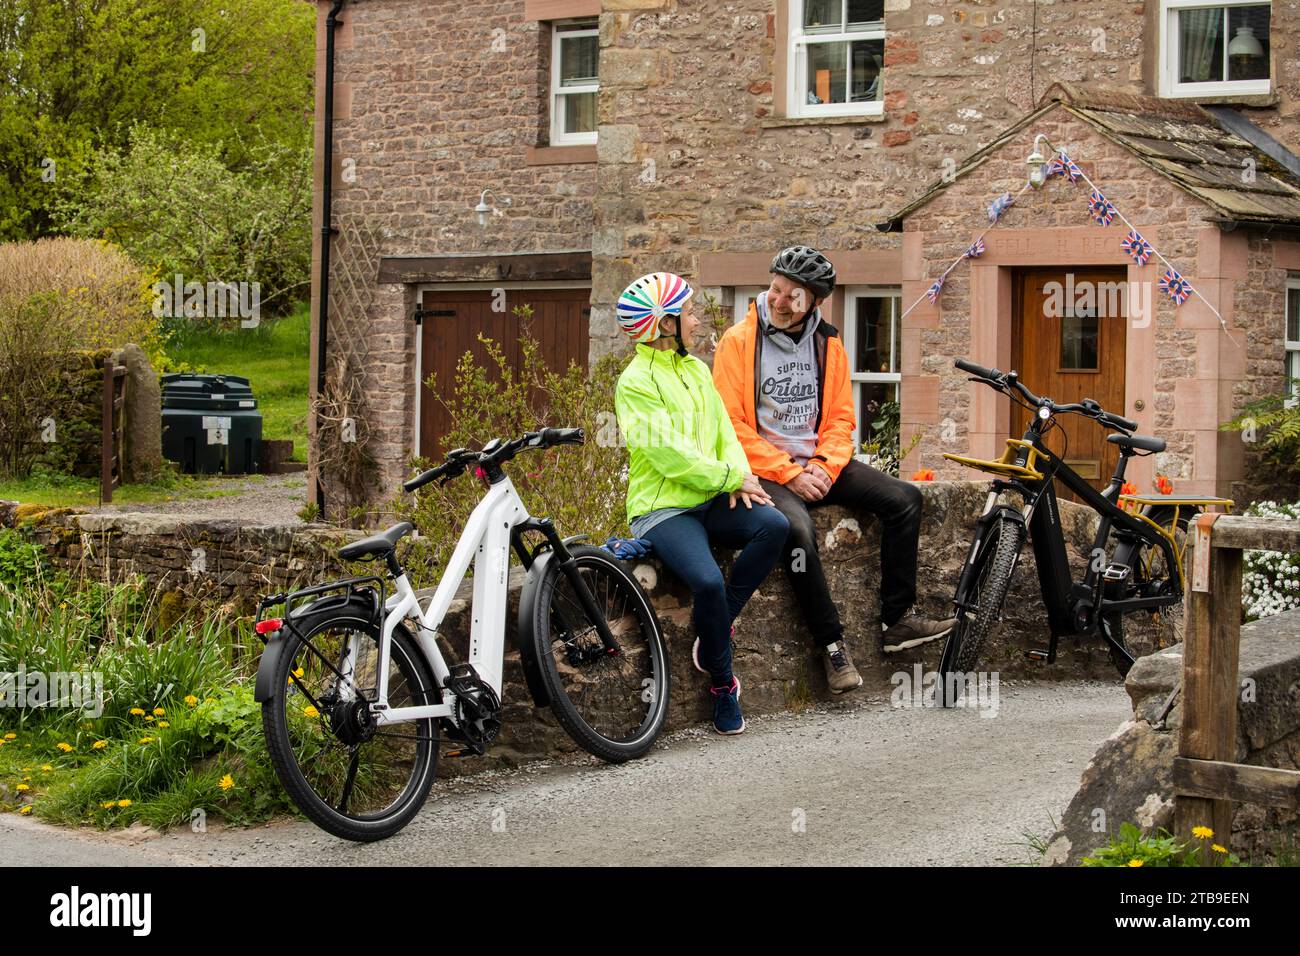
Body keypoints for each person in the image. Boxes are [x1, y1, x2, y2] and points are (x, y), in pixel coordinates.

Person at [713, 246, 956, 694]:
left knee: (906, 500)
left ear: (815, 302)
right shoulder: (738, 342)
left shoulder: (829, 343)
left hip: (820, 461)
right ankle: (831, 647)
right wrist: (789, 472)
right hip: (767, 469)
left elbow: (842, 418)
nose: (779, 300)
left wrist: (825, 465)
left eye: (793, 296)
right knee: (798, 531)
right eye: (775, 289)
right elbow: (731, 424)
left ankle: (897, 620)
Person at [614, 272, 789, 735]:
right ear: (664, 324)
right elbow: (668, 456)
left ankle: (717, 628)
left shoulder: (693, 368)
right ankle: (722, 681)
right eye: (687, 313)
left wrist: (740, 478)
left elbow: (722, 431)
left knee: (775, 525)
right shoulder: (633, 383)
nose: (695, 321)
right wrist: (730, 475)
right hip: (663, 509)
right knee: (708, 583)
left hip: (712, 495)